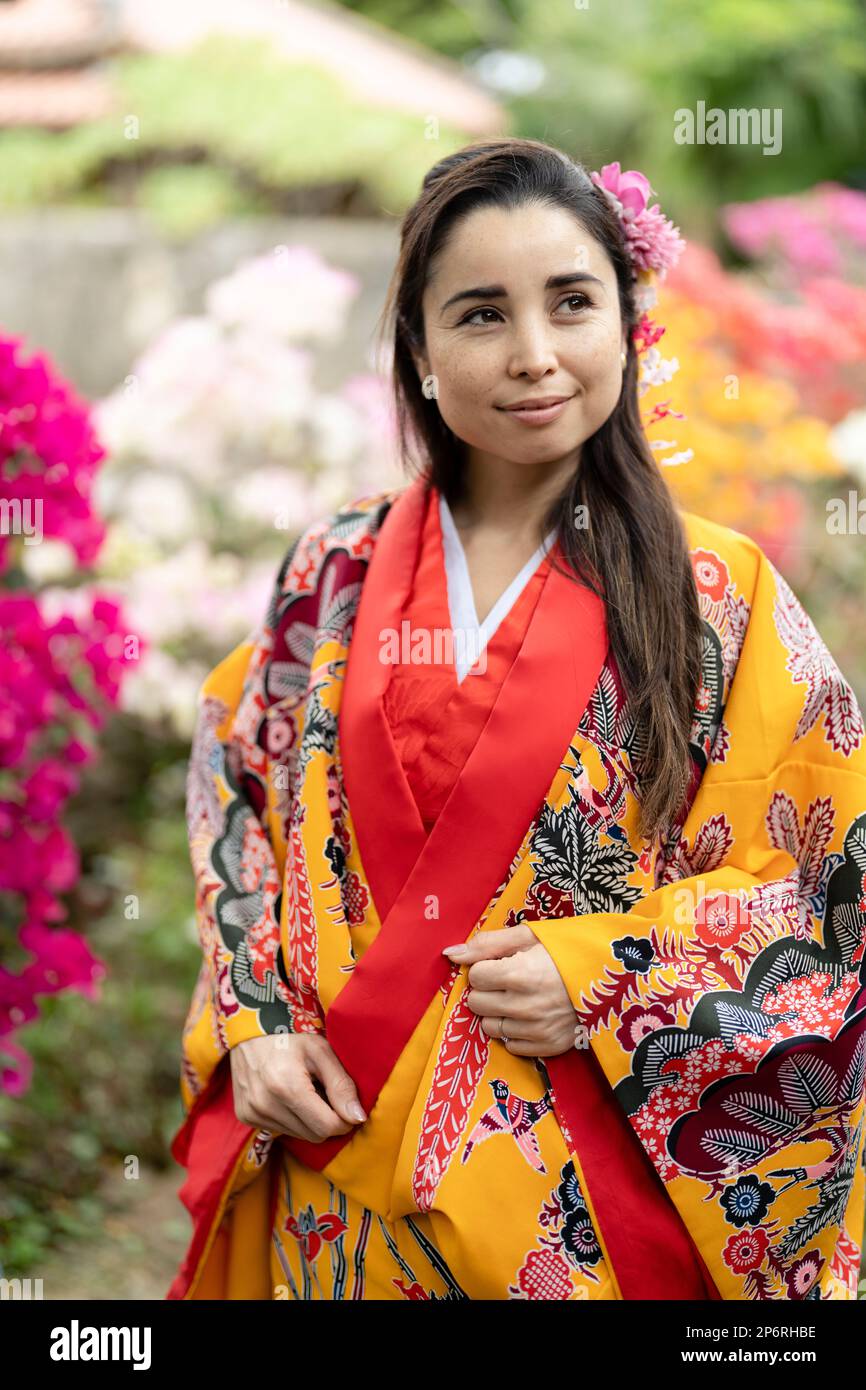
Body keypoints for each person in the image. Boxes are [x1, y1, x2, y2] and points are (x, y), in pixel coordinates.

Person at [167, 138, 866, 1301]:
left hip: (579, 1215)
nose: (534, 357)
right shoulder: (331, 568)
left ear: (627, 326)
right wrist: (253, 1020)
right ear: (420, 353)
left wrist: (610, 970)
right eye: (481, 314)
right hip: (334, 1191)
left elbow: (827, 891)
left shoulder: (717, 597)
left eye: (571, 303)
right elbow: (235, 789)